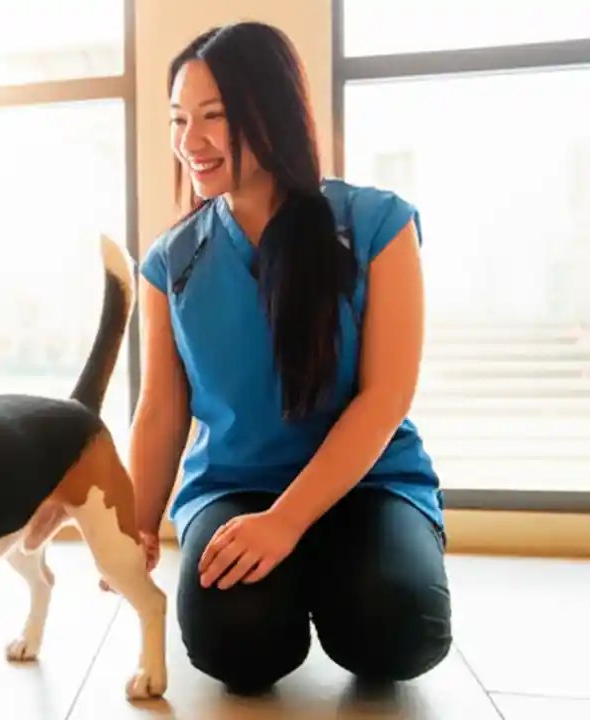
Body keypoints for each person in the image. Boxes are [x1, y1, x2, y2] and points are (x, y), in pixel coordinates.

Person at [129, 21, 453, 695]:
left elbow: (386, 397)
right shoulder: (170, 262)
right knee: (237, 647)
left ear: (270, 110)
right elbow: (161, 408)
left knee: (397, 630)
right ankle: (297, 572)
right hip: (234, 487)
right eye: (178, 119)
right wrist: (133, 525)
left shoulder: (378, 224)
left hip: (369, 482)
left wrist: (288, 522)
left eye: (214, 117)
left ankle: (333, 562)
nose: (191, 142)